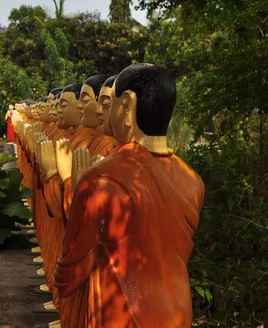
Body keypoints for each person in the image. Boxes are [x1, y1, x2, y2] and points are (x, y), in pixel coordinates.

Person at [53, 64, 205, 327]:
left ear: (127, 105)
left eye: (111, 104)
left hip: (122, 316)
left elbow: (70, 273)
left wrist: (70, 185)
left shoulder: (102, 179)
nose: (105, 112)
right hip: (176, 314)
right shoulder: (193, 180)